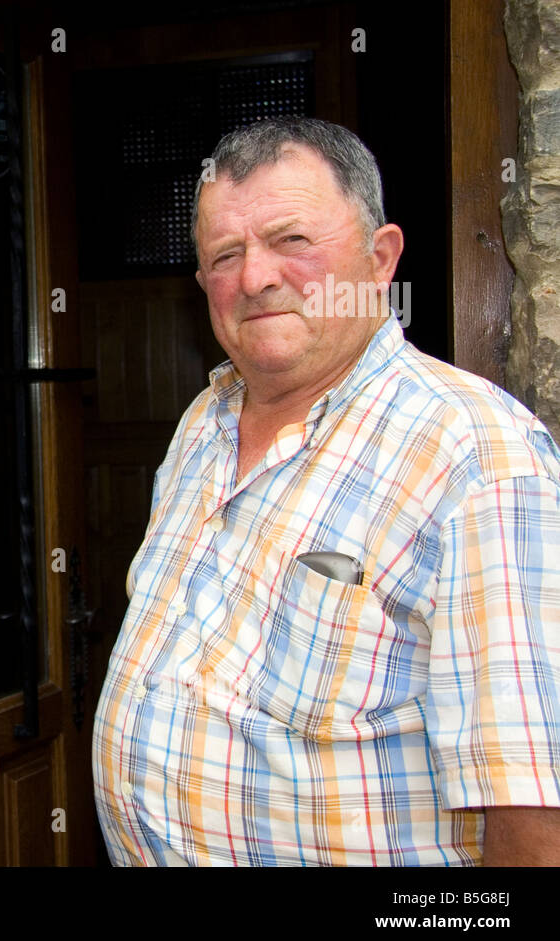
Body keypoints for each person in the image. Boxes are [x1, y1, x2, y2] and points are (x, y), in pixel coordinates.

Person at [92, 117, 560, 866]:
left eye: (292, 241)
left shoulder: (475, 455)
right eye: (224, 256)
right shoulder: (203, 423)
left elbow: (534, 810)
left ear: (381, 259)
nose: (255, 278)